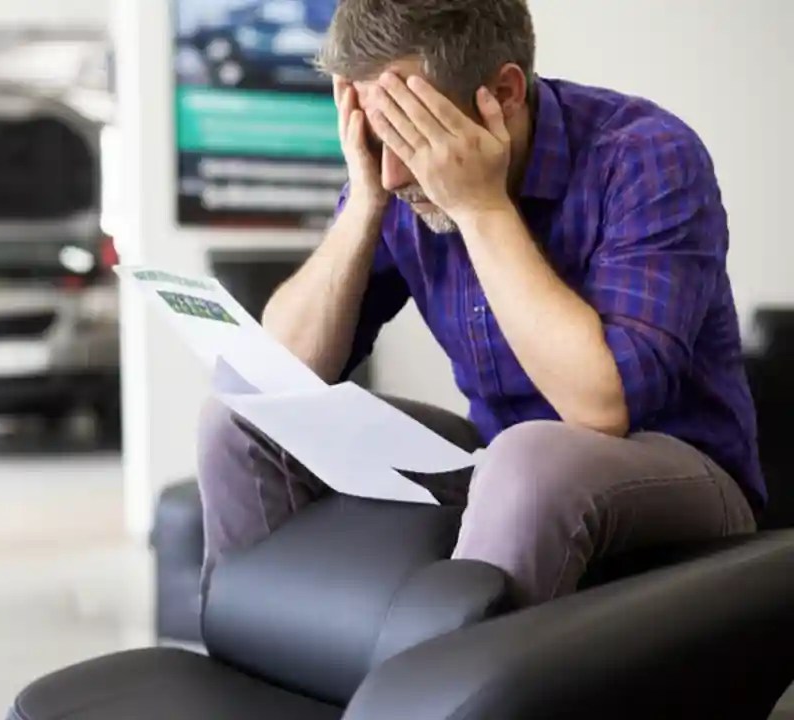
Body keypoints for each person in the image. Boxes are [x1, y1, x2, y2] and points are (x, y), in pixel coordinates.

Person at [197, 0, 762, 607]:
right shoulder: (389, 179)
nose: (391, 173)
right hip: (498, 463)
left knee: (531, 460)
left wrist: (481, 208)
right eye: (373, 132)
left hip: (681, 473)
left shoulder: (646, 156)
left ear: (505, 93)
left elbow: (602, 406)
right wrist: (361, 204)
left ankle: (442, 696)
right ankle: (268, 666)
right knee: (240, 415)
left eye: (415, 135)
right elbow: (278, 376)